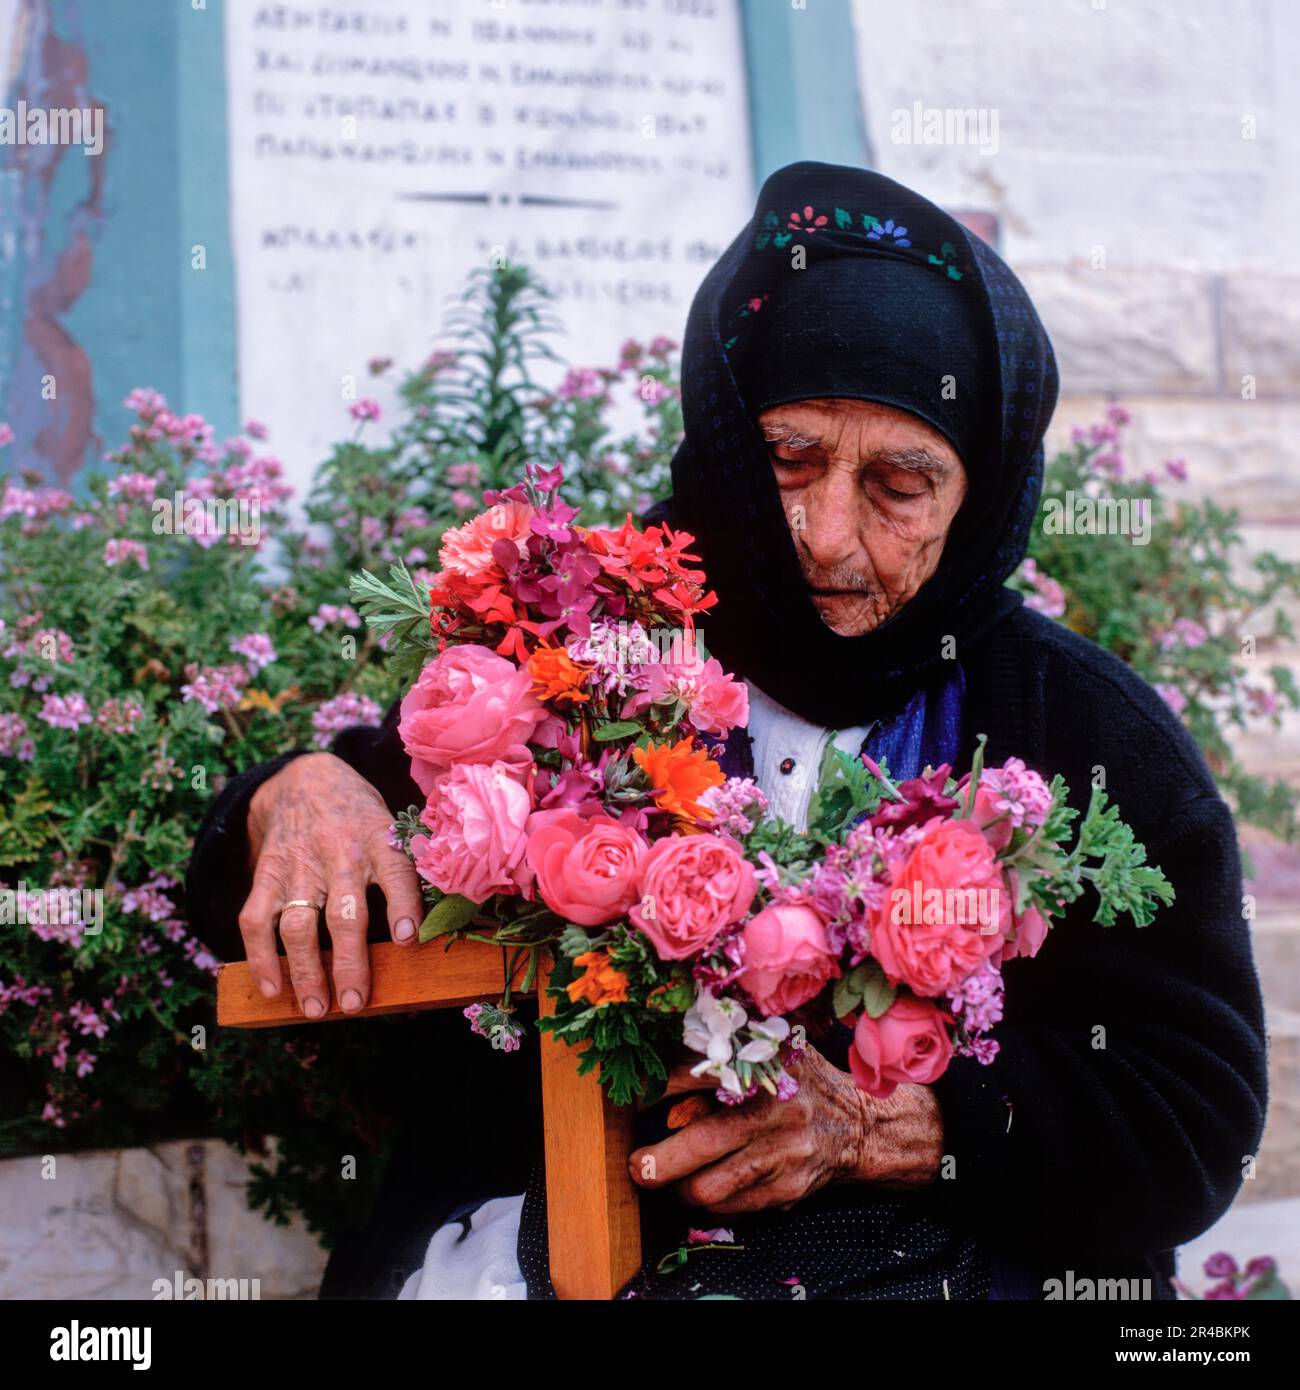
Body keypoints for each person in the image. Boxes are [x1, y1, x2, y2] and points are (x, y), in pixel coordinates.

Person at [186, 162, 1268, 1301]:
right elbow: (275, 894)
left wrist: (898, 1128)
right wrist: (292, 793)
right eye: (787, 457)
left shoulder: (1078, 727)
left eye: (901, 485)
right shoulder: (585, 640)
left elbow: (1191, 1120)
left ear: (982, 491)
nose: (826, 537)